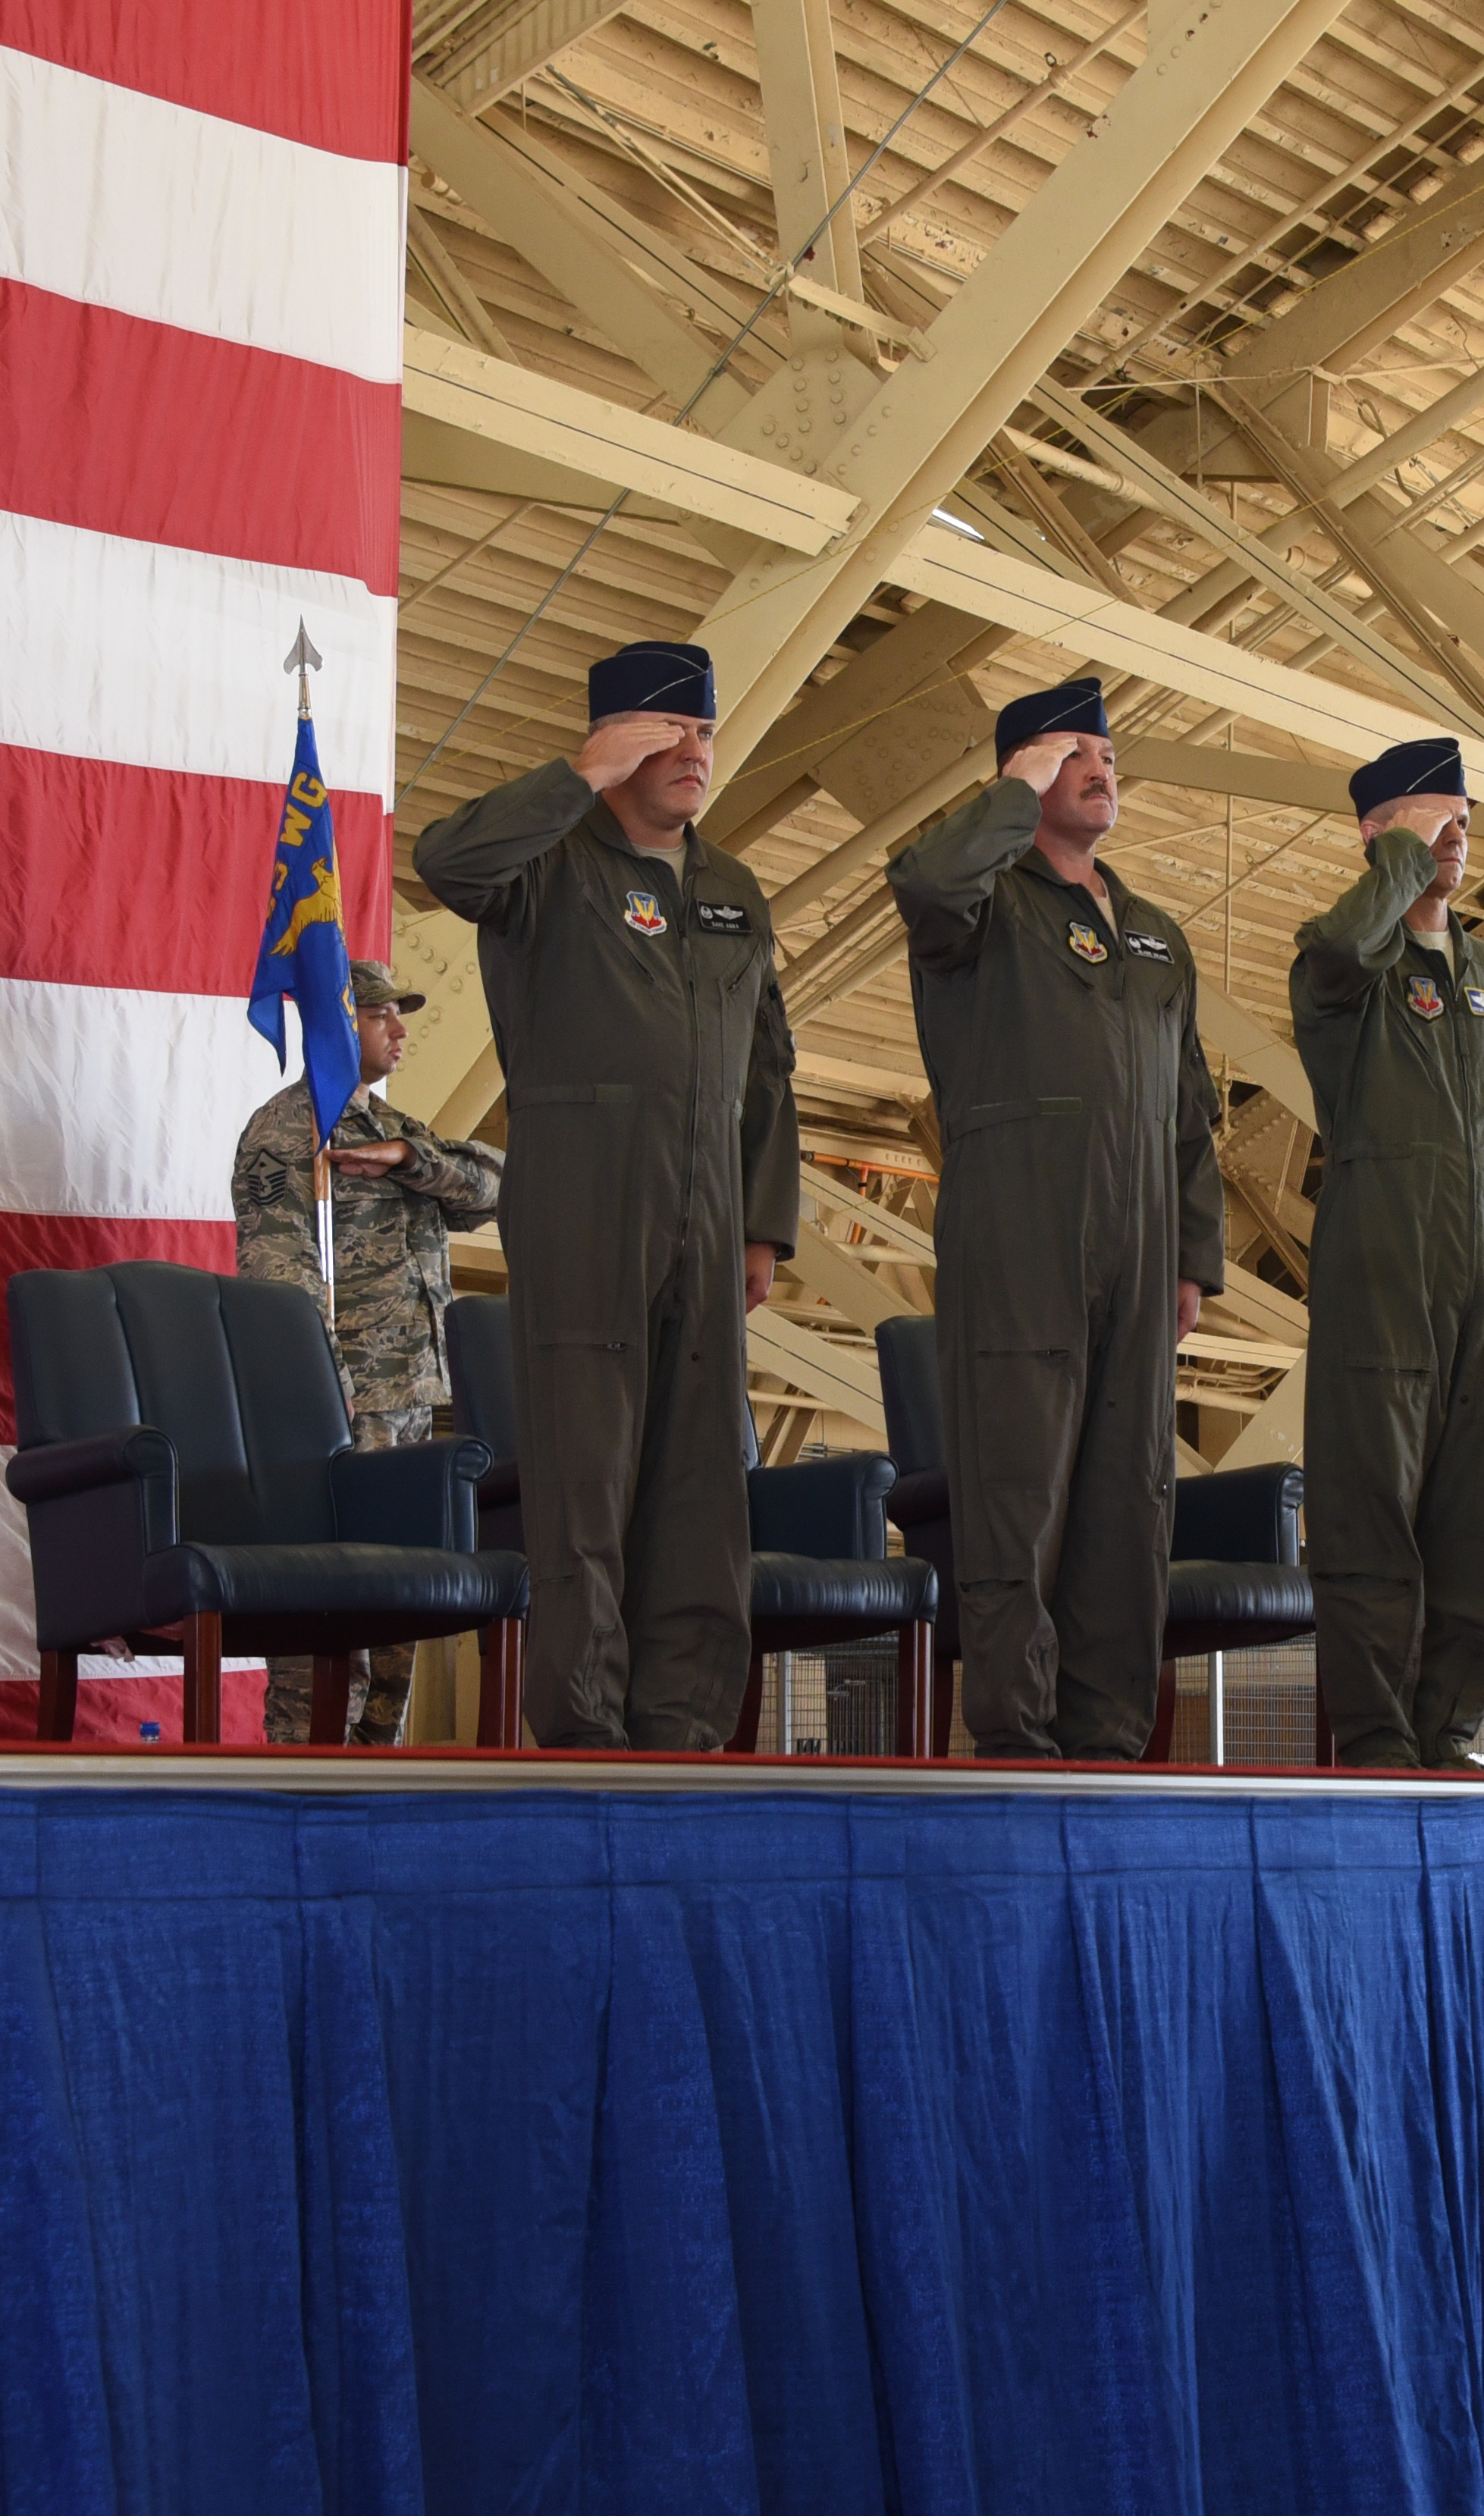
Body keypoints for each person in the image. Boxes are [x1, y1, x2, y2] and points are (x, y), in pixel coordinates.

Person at [412, 640, 799, 1751]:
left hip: (711, 1202)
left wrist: (763, 1222)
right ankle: (584, 1727)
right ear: (612, 740)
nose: (695, 754)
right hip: (584, 1187)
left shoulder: (731, 890)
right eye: (668, 732)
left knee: (700, 1477)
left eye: (707, 734)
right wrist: (574, 775)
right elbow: (448, 862)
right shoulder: (546, 862)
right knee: (586, 1470)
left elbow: (768, 1064)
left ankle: (683, 1723)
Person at [890, 678, 1224, 1758]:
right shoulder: (981, 905)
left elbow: (1189, 1114)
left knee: (1131, 1494)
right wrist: (1012, 787)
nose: (1100, 766)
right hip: (1019, 1229)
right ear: (1020, 770)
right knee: (1019, 1487)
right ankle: (1016, 1729)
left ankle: (1110, 1731)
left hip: (1138, 1247)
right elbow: (927, 878)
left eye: (1109, 753)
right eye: (1070, 750)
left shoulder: (1160, 939)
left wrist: (1190, 1256)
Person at [1291, 735, 1484, 1768]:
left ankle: (1448, 1727)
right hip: (1381, 1246)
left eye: (1464, 817)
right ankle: (1375, 1732)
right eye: (1431, 817)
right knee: (1371, 1498)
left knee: (1478, 1497)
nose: (1457, 835)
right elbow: (1347, 949)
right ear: (1377, 833)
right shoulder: (1341, 963)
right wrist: (1397, 865)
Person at [231, 958, 505, 1744]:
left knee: (400, 1603)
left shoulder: (388, 1129)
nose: (400, 1030)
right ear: (333, 1022)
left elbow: (492, 1186)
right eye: (380, 1014)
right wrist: (323, 1392)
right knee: (330, 1604)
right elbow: (277, 1286)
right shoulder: (289, 1133)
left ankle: (373, 1772)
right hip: (341, 1407)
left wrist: (410, 1163)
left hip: (411, 1402)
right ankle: (302, 1768)